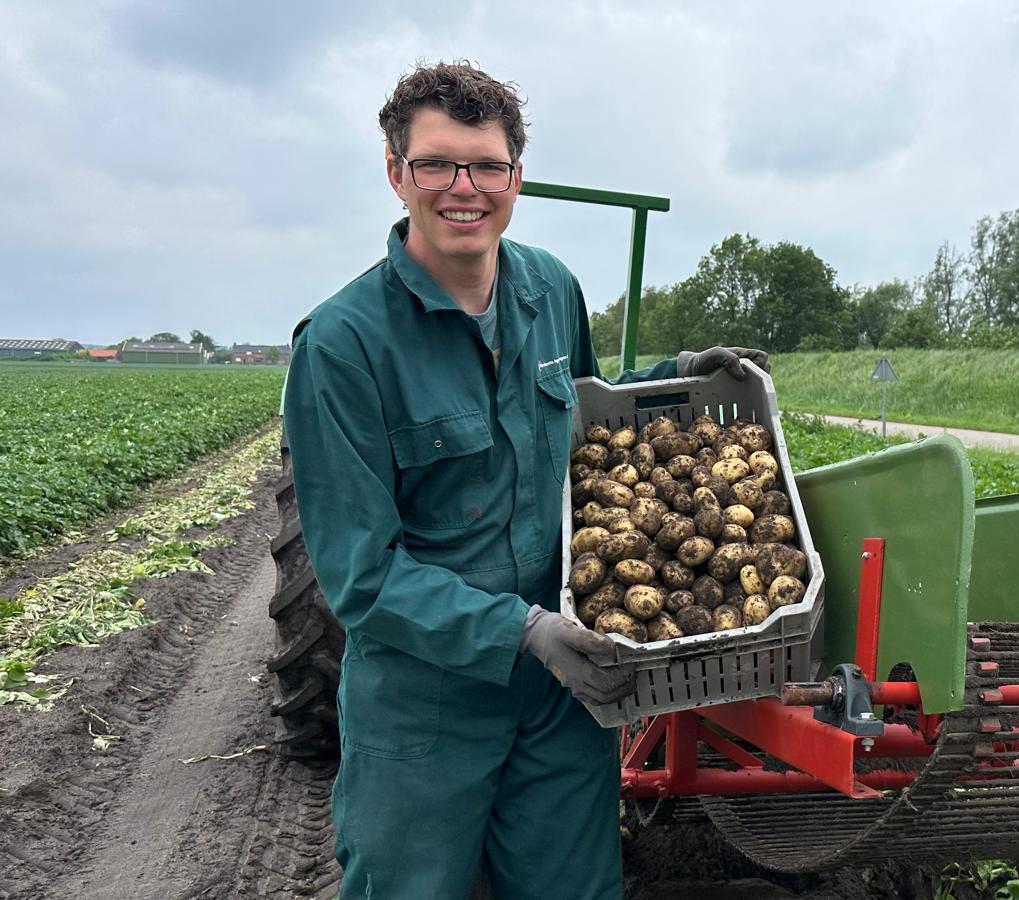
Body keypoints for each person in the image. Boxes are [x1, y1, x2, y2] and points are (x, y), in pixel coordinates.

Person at [282, 61, 766, 900]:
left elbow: (582, 422)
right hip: (426, 700)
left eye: (487, 166)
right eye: (436, 164)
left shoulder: (551, 288)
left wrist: (675, 375)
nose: (462, 188)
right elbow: (362, 576)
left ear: (517, 177)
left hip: (564, 688)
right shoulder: (340, 345)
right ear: (396, 173)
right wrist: (519, 629)